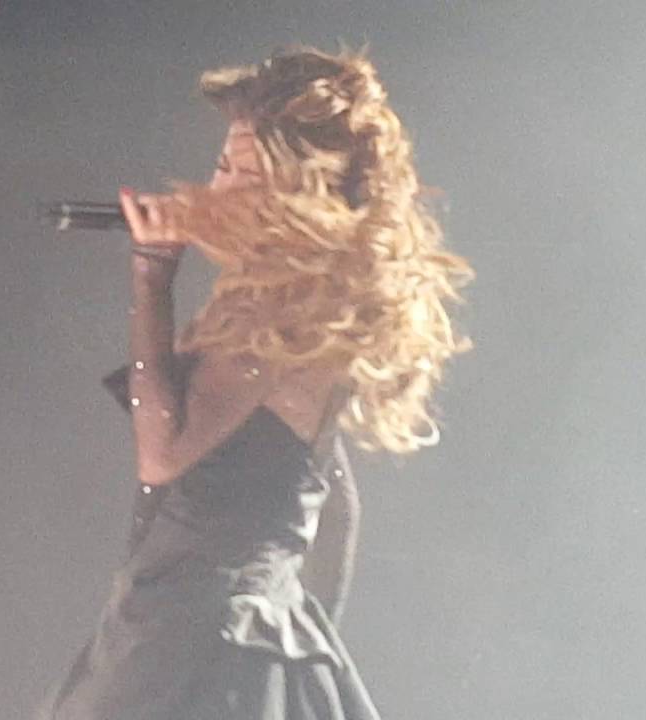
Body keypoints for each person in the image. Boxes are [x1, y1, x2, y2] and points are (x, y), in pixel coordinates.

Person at [37, 45, 473, 720]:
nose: (218, 192)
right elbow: (334, 501)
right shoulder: (306, 310)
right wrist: (296, 624)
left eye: (246, 176)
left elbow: (163, 453)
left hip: (196, 647)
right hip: (215, 632)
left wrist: (152, 273)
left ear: (297, 196)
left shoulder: (282, 313)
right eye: (222, 167)